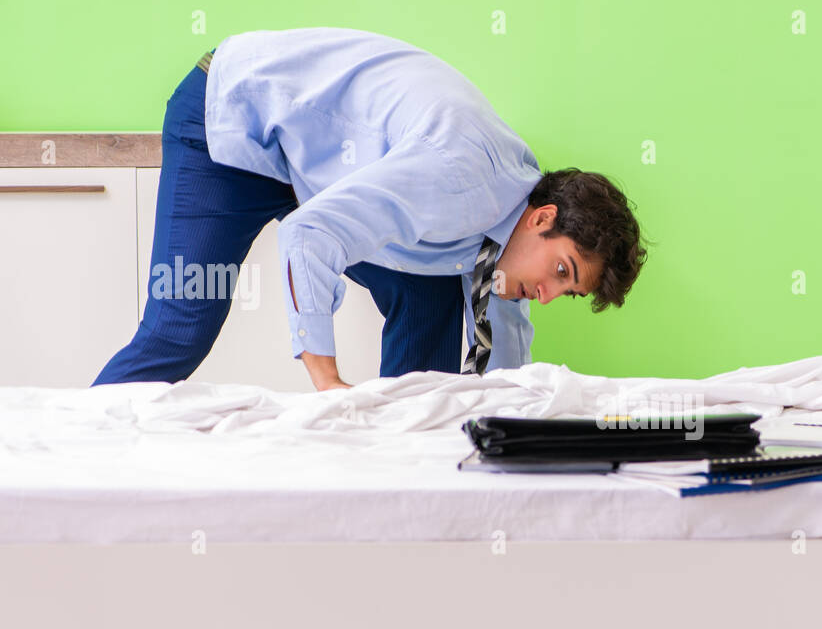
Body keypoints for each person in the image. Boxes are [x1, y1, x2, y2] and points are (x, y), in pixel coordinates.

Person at [93, 27, 647, 390]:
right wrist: (328, 384)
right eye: (560, 272)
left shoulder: (510, 218)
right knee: (179, 329)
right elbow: (309, 237)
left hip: (328, 165)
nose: (547, 294)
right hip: (237, 119)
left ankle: (396, 484)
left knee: (428, 298)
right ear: (543, 218)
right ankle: (68, 467)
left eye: (565, 292)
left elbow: (504, 325)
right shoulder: (457, 178)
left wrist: (511, 422)